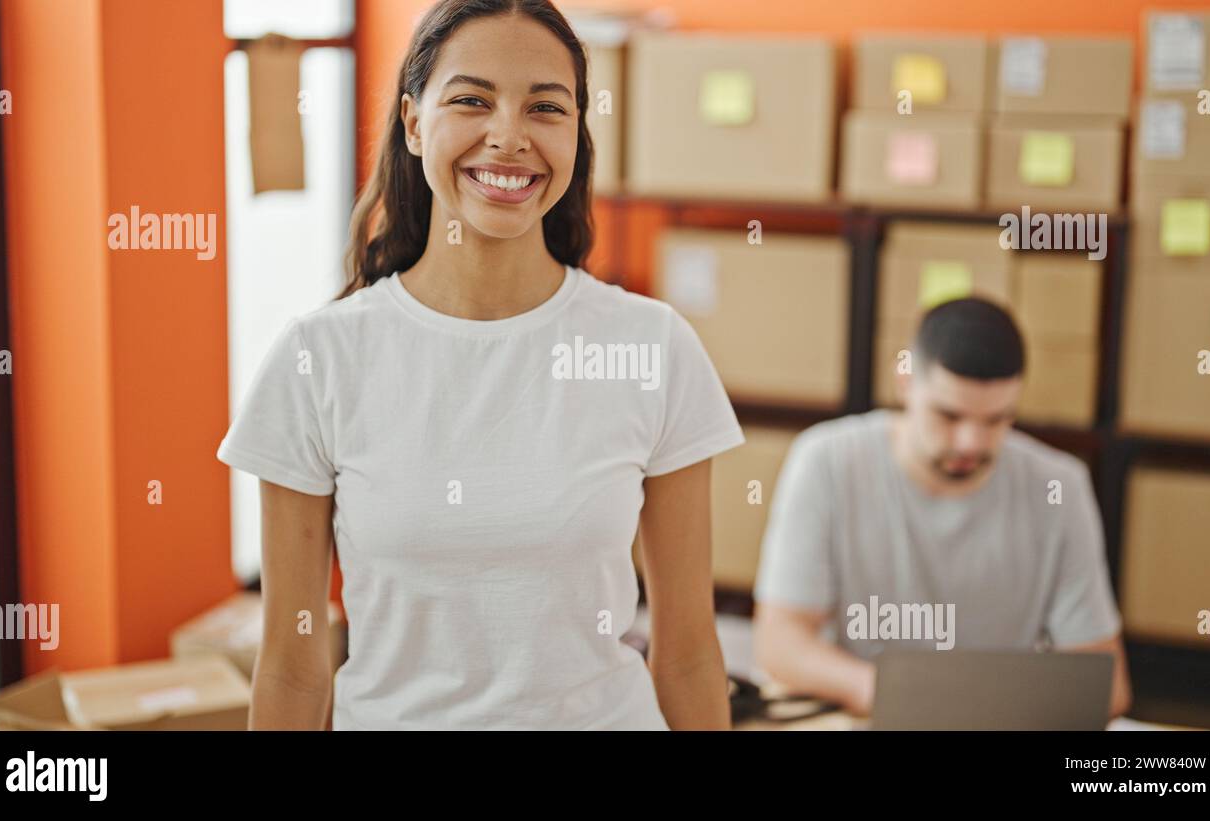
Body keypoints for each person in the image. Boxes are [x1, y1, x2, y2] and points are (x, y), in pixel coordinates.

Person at [217, 0, 744, 730]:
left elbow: (686, 652)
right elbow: (291, 667)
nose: (508, 138)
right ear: (411, 121)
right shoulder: (319, 360)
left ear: (576, 133)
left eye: (546, 108)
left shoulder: (653, 347)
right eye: (471, 100)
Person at [752, 297, 1132, 718]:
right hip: (871, 716)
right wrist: (888, 694)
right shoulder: (827, 462)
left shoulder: (1059, 488)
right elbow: (780, 641)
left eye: (996, 420)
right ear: (905, 381)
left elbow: (1107, 685)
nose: (972, 442)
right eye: (949, 415)